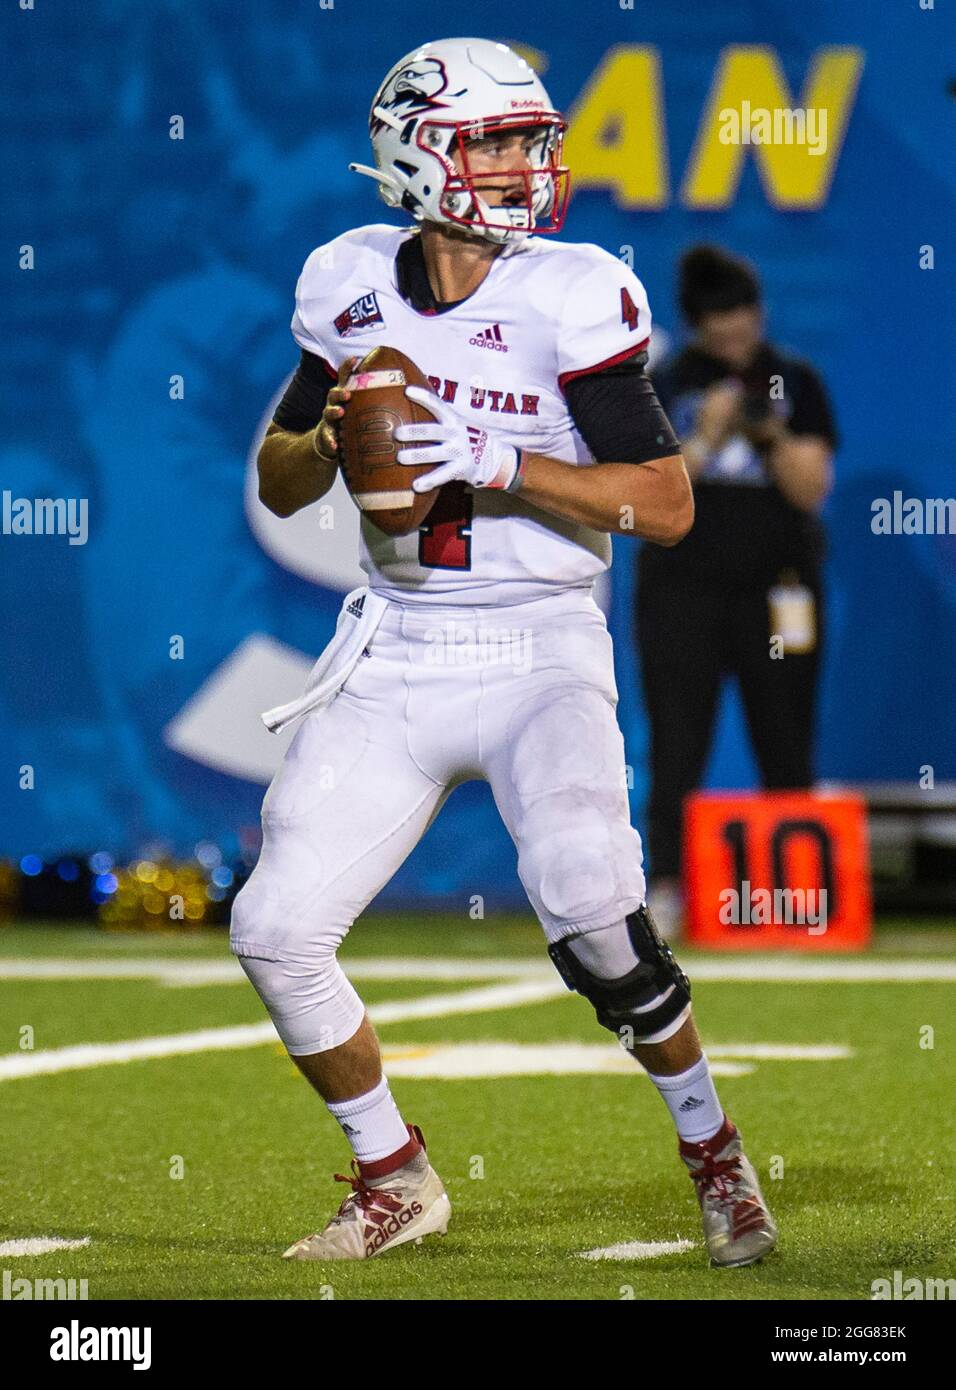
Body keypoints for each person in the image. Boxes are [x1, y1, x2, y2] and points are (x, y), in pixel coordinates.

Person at [230, 39, 777, 1268]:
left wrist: (499, 465)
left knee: (591, 906)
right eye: (495, 141)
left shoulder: (572, 291)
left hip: (538, 644)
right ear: (415, 152)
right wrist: (327, 433)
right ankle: (394, 1174)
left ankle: (713, 1152)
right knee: (272, 927)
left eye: (533, 139)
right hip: (396, 645)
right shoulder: (346, 282)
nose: (526, 164)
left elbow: (666, 504)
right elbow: (277, 481)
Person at [639, 245, 837, 939]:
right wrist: (706, 434)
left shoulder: (794, 380)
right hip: (681, 590)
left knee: (787, 734)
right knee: (677, 739)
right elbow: (647, 493)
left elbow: (811, 488)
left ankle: (795, 887)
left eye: (744, 312)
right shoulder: (664, 382)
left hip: (778, 590)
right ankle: (667, 886)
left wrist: (771, 434)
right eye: (720, 317)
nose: (735, 329)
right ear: (697, 321)